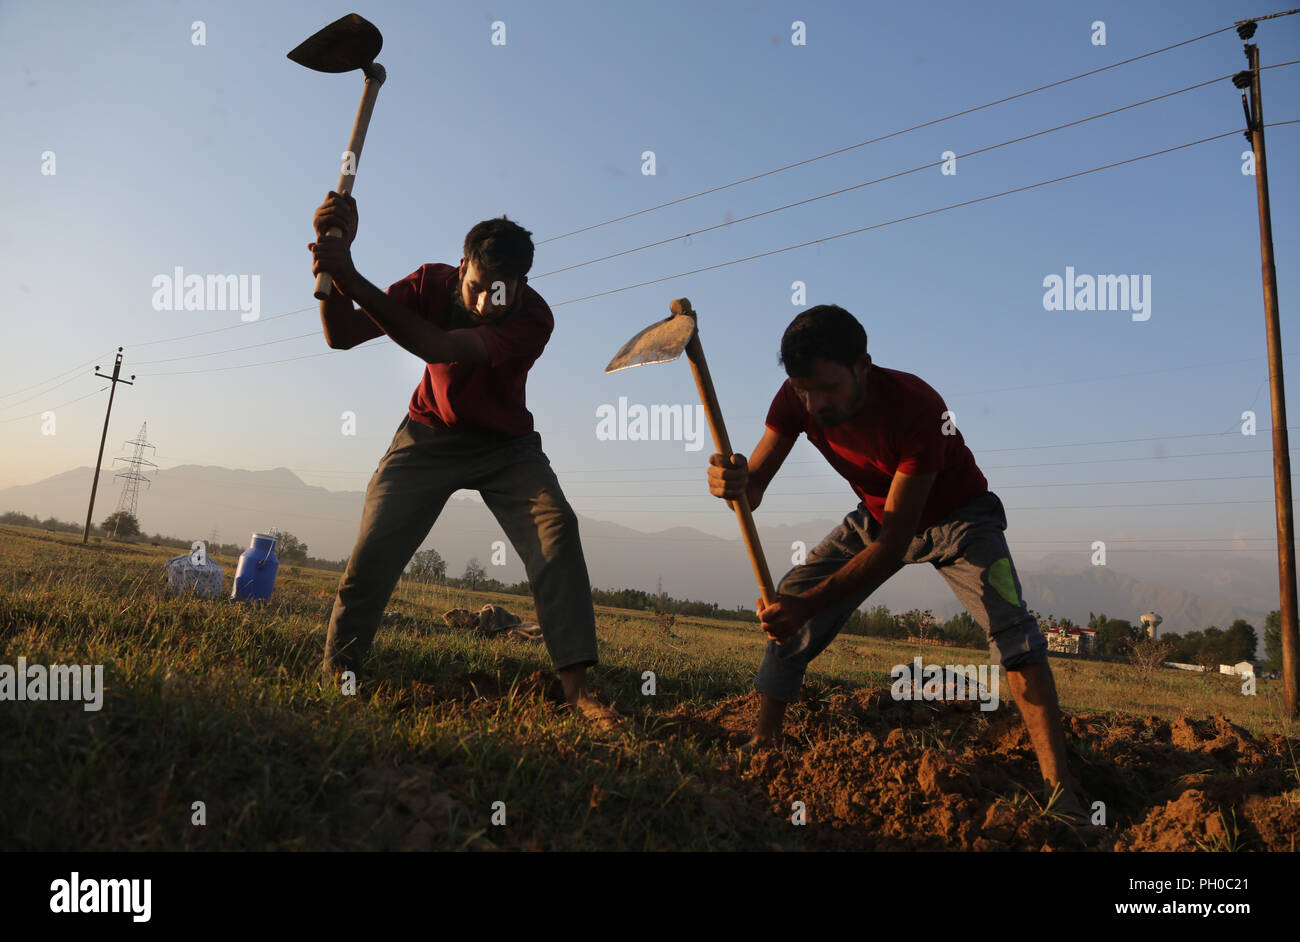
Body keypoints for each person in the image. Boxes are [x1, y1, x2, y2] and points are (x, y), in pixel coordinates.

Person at [706, 304, 1087, 819]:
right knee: (789, 599)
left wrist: (809, 606)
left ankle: (1060, 788)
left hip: (958, 518)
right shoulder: (797, 397)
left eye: (826, 388)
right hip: (877, 510)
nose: (814, 404)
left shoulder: (918, 408)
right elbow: (752, 489)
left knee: (1015, 634)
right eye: (803, 390)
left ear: (863, 366)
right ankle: (765, 742)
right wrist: (732, 484)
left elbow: (893, 546)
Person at [308, 191, 615, 727]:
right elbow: (340, 336)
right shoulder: (429, 282)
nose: (487, 305)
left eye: (502, 294)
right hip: (428, 436)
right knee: (376, 544)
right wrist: (331, 274)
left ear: (520, 285)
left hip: (506, 448)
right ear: (462, 264)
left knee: (556, 530)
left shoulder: (534, 319)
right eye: (477, 288)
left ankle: (576, 689)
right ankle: (342, 668)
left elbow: (438, 348)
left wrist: (352, 276)